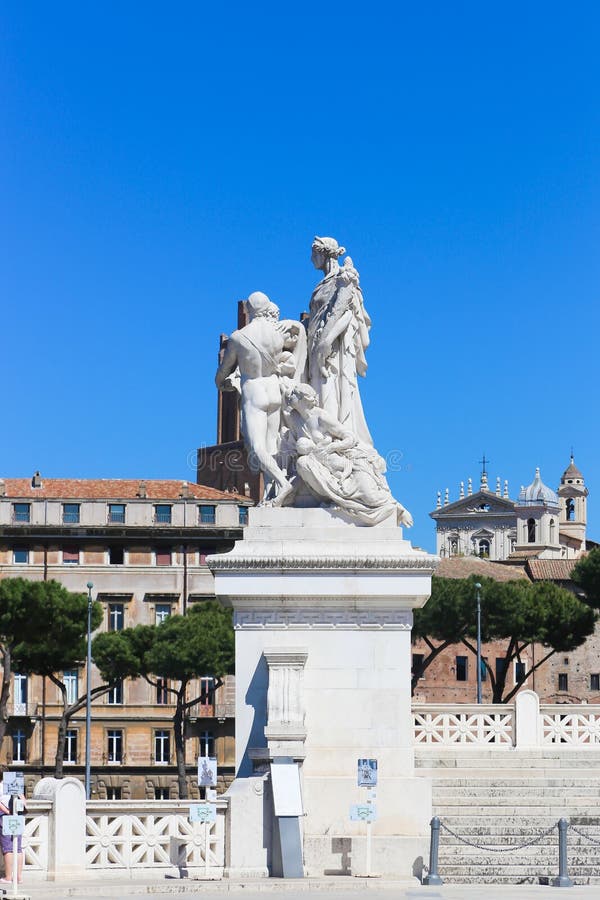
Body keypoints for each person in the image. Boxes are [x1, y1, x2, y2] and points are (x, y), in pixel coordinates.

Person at [215, 292, 304, 506]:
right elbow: (299, 337)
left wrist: (220, 382)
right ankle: (272, 494)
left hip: (254, 391)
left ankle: (283, 484)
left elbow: (225, 370)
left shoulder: (239, 337)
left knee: (257, 447)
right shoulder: (277, 334)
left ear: (249, 310)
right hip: (274, 390)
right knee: (273, 445)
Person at [283, 383, 413, 527]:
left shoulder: (321, 416)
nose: (290, 396)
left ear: (302, 398)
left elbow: (350, 437)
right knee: (303, 463)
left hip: (343, 463)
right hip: (319, 464)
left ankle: (397, 508)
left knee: (370, 497)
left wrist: (332, 446)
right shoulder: (294, 418)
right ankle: (333, 499)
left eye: (294, 394)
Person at [307, 237, 373, 446]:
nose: (311, 259)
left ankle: (335, 435)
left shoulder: (342, 278)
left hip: (334, 348)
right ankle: (324, 434)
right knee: (318, 389)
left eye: (313, 254)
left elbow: (344, 312)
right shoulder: (325, 282)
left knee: (331, 387)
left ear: (322, 254)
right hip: (317, 345)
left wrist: (326, 341)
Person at [0, 790, 26, 884]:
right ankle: (19, 877)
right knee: (18, 848)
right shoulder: (16, 785)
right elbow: (24, 802)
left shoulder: (1, 786)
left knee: (8, 848)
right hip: (18, 816)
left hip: (6, 816)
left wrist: (7, 811)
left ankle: (8, 877)